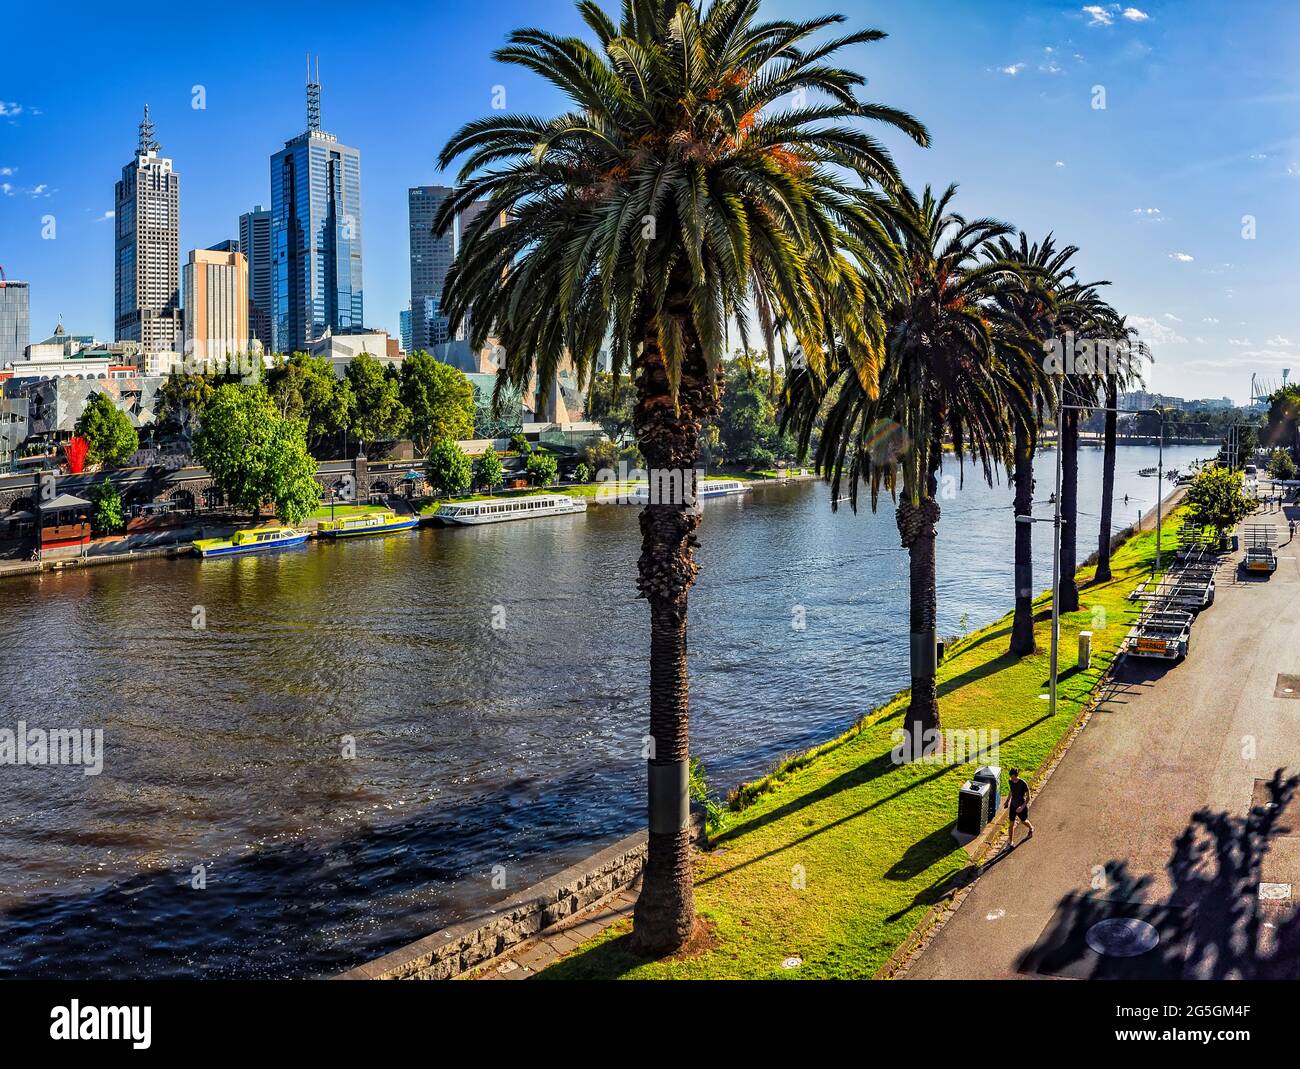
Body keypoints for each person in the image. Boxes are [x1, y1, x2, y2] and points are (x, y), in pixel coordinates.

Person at [1006, 768, 1033, 845]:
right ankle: (1010, 842)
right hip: (1013, 806)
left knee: (1023, 821)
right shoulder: (1010, 781)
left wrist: (1022, 807)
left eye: (1012, 776)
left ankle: (1031, 828)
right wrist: (1007, 801)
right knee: (1011, 824)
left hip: (1021, 806)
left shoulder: (1023, 784)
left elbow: (1028, 798)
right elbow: (1011, 790)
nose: (1011, 778)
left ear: (1015, 775)